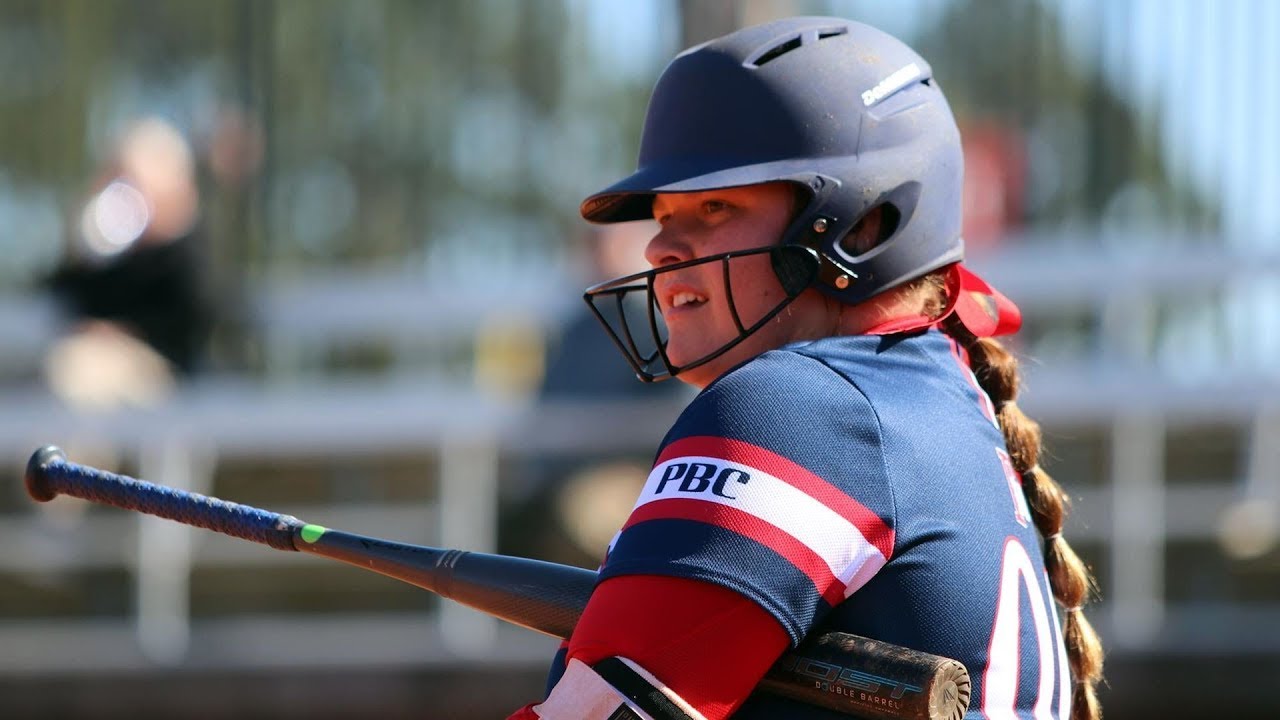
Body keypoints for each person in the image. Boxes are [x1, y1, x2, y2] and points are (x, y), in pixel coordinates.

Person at [509, 16, 1102, 720]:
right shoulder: (936, 398)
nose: (662, 247)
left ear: (864, 226)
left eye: (714, 206)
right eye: (664, 214)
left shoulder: (798, 407)